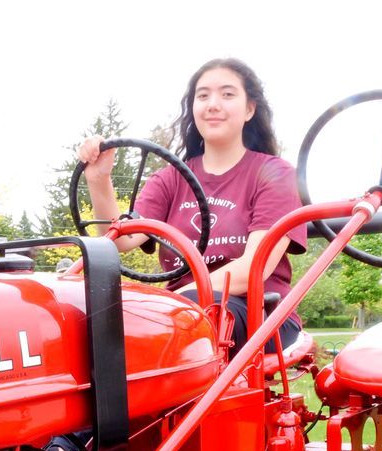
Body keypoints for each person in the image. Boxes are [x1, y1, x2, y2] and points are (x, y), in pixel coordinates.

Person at [77, 58, 307, 353]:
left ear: (249, 109)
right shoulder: (172, 178)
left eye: (227, 94)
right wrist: (98, 179)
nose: (213, 104)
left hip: (255, 311)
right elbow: (122, 240)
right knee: (87, 313)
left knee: (192, 317)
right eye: (203, 95)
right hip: (180, 311)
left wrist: (171, 301)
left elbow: (252, 270)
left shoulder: (273, 174)